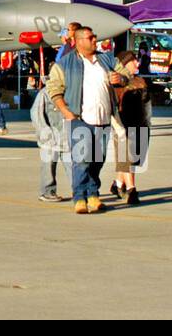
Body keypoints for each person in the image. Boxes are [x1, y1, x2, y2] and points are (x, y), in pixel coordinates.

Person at [44, 26, 128, 213]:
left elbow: (127, 74)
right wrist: (66, 111)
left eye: (94, 37)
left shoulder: (106, 59)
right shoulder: (65, 63)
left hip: (104, 117)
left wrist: (120, 79)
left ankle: (93, 195)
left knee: (98, 159)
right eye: (90, 37)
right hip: (80, 118)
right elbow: (53, 88)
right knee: (82, 159)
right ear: (79, 40)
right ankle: (80, 197)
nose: (94, 40)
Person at [109, 51, 151, 205]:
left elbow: (146, 105)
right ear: (124, 64)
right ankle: (131, 189)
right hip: (123, 125)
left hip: (140, 124)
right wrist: (117, 126)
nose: (138, 64)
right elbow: (111, 107)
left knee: (134, 157)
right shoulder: (115, 82)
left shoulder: (140, 81)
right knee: (127, 157)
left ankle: (118, 184)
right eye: (133, 61)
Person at [31, 81, 69, 202]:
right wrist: (45, 133)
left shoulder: (71, 91)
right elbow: (36, 114)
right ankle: (47, 192)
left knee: (74, 167)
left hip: (67, 138)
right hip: (50, 139)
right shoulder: (45, 93)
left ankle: (81, 191)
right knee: (48, 167)